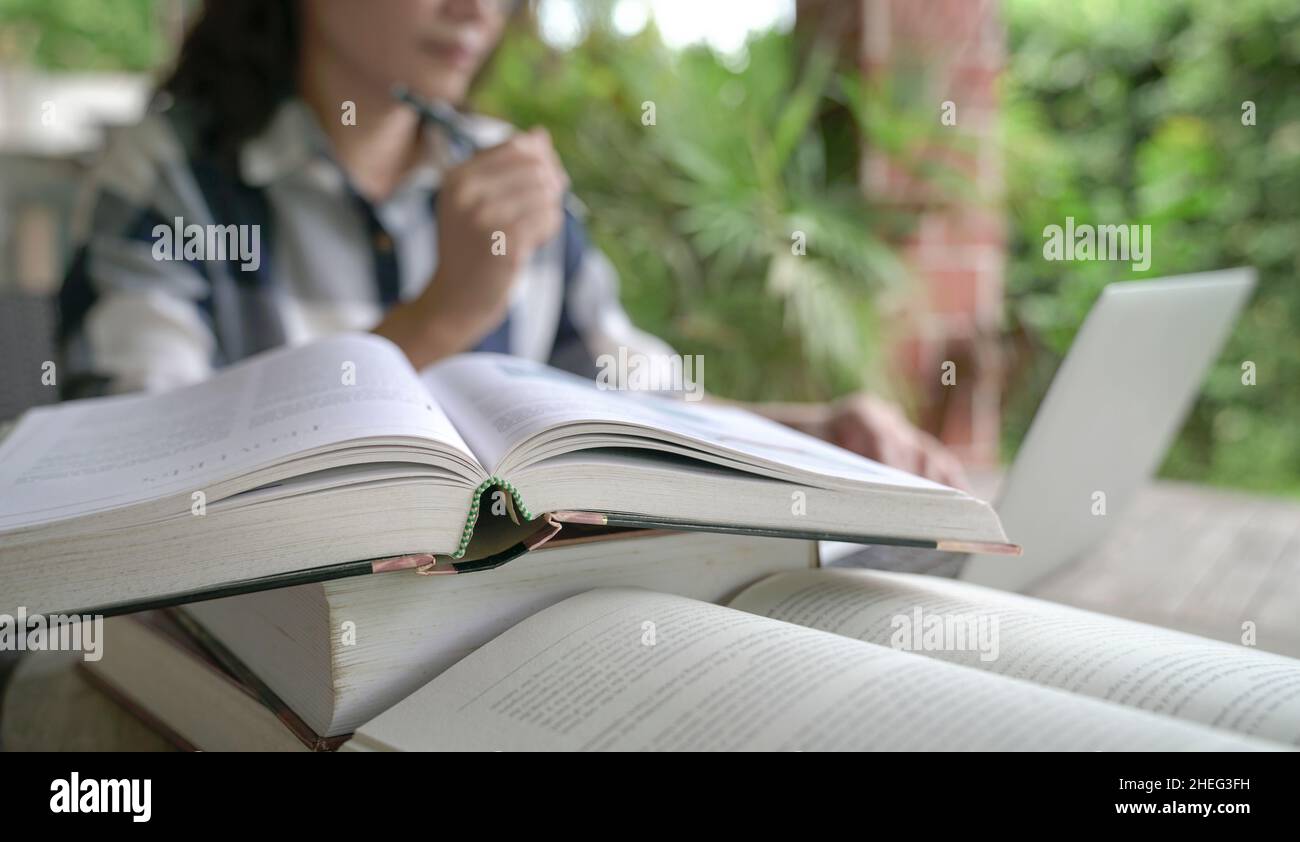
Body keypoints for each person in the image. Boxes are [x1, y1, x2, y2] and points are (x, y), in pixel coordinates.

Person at [58, 0, 967, 488]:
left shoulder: (506, 178)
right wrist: (446, 313)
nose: (476, 8)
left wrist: (822, 434)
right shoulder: (169, 177)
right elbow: (145, 481)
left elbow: (635, 396)